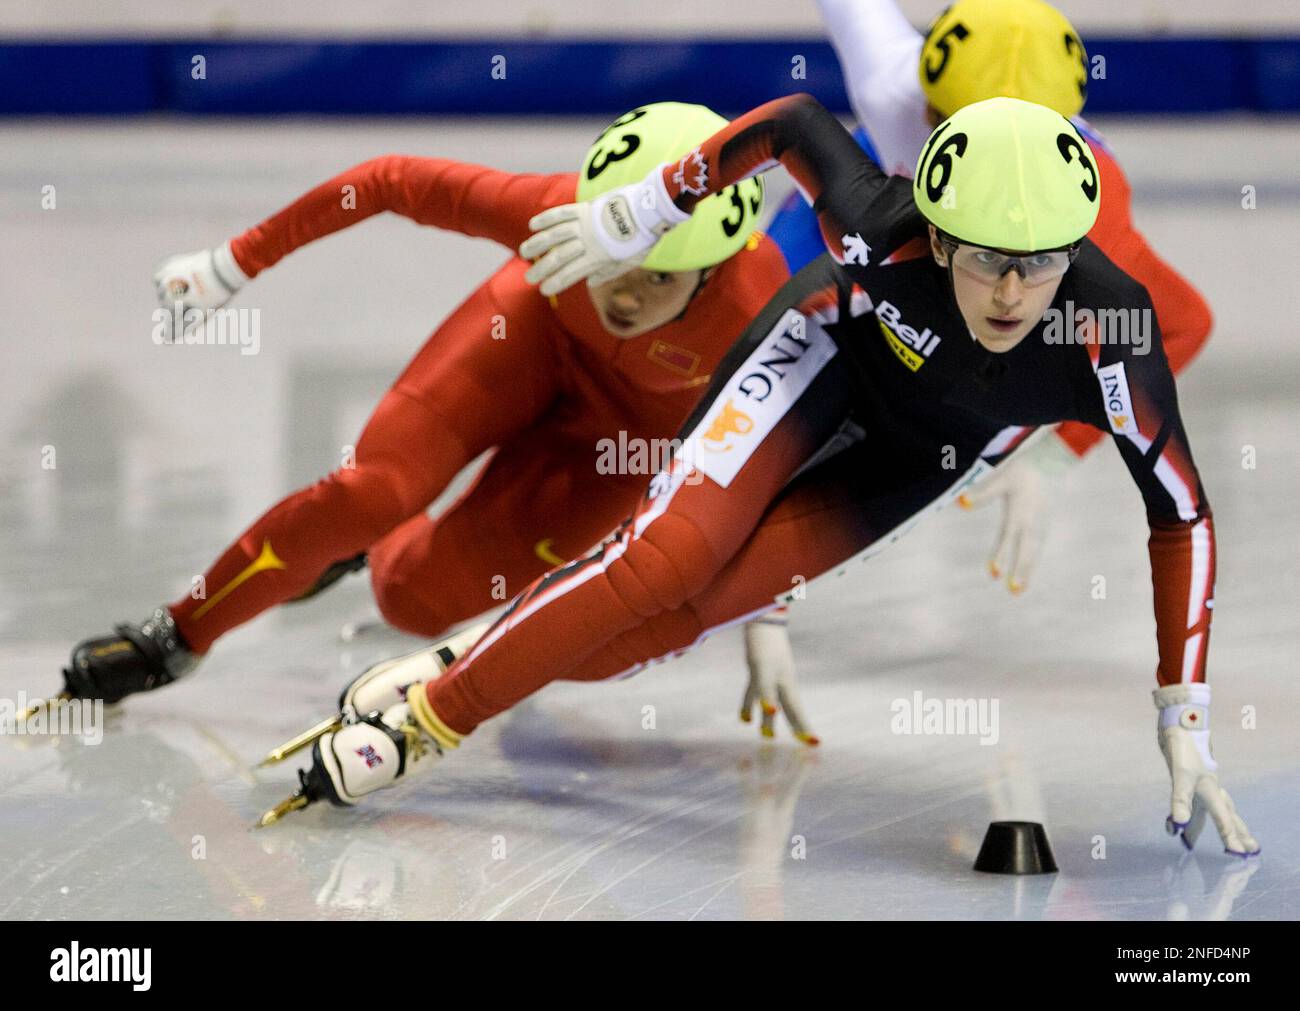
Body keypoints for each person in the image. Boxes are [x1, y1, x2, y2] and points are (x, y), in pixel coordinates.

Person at [301, 93, 1257, 859]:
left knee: (660, 628)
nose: (1010, 293)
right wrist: (643, 211)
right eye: (980, 260)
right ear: (936, 231)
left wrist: (1183, 707)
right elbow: (789, 123)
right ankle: (429, 719)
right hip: (819, 356)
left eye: (1038, 264)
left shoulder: (1110, 336)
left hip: (914, 452)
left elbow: (1183, 516)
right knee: (665, 560)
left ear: (1077, 249)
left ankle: (462, 649)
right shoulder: (883, 230)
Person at [47, 103, 818, 745]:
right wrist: (232, 263)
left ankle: (369, 552)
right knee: (371, 492)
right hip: (525, 341)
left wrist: (767, 615)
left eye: (661, 278)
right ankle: (174, 637)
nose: (625, 294)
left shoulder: (759, 311)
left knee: (412, 602)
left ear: (717, 269)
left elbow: (775, 464)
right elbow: (387, 182)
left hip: (620, 450)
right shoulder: (554, 214)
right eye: (614, 256)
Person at [766, 0, 1214, 594]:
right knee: (754, 302)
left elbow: (1181, 322)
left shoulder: (1092, 207)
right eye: (959, 134)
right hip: (883, 197)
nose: (985, 169)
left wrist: (1051, 452)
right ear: (923, 105)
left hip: (916, 224)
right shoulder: (890, 86)